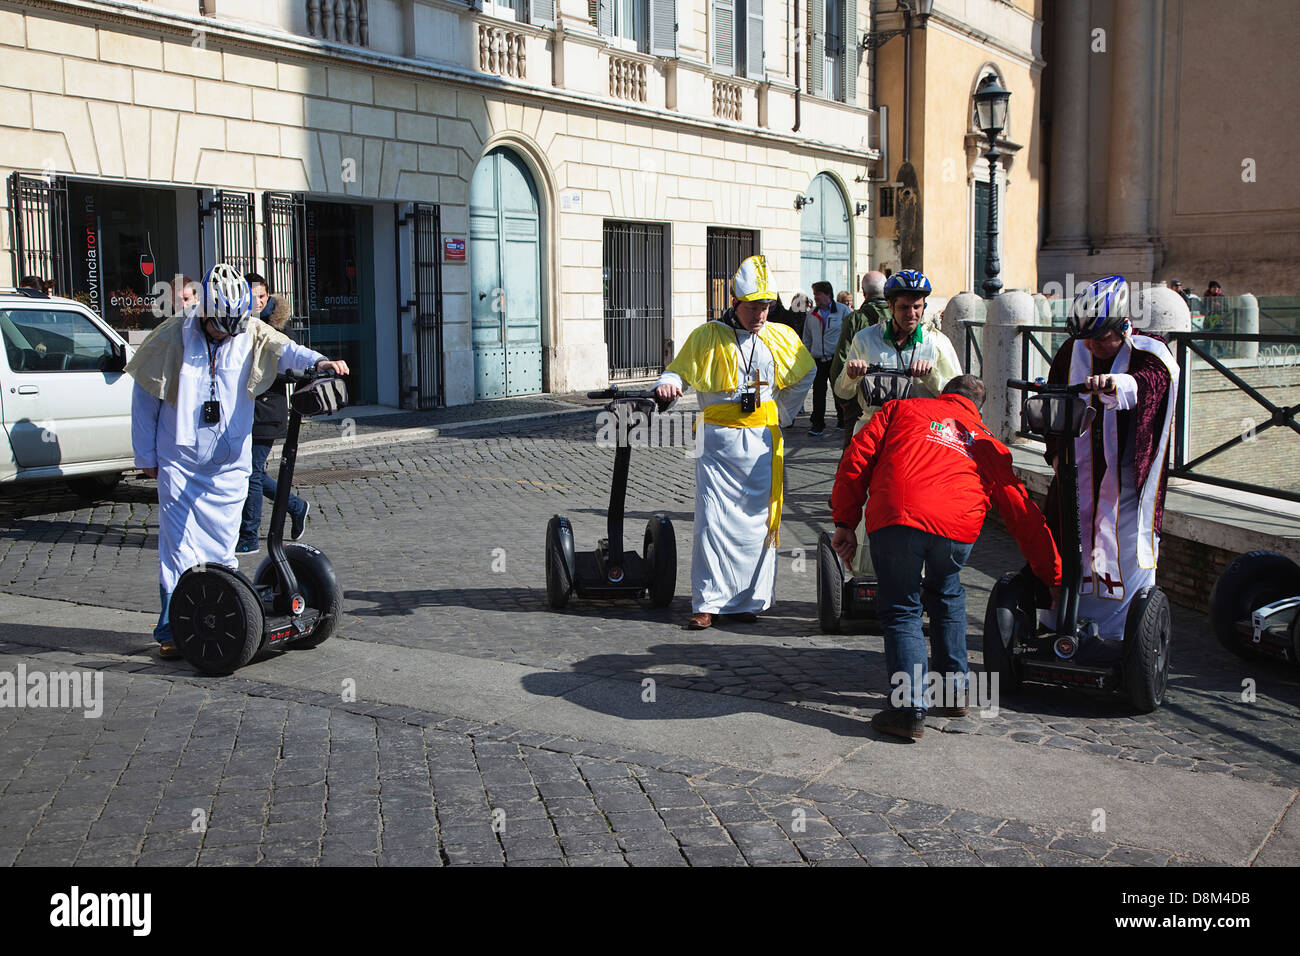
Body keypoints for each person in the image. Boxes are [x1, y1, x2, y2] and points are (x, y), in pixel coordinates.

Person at [127, 265, 349, 660]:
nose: (224, 335)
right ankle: (172, 628)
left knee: (222, 547)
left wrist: (321, 363)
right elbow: (145, 399)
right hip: (180, 462)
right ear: (205, 313)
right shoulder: (172, 336)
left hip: (230, 464)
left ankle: (222, 615)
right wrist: (146, 454)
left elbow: (286, 351)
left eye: (232, 327)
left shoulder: (250, 332)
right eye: (217, 327)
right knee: (178, 551)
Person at [830, 375, 1063, 740]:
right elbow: (1021, 510)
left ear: (943, 394)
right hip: (956, 528)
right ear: (977, 406)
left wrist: (846, 520)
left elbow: (856, 459)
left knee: (903, 609)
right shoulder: (985, 438)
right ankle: (952, 692)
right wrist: (1051, 574)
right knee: (947, 591)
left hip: (898, 517)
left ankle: (908, 709)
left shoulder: (900, 409)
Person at [654, 255, 815, 630]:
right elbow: (678, 372)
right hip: (718, 449)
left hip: (761, 447)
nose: (760, 315)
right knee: (712, 523)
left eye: (765, 307)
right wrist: (670, 384)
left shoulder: (780, 336)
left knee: (759, 526)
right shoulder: (707, 336)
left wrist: (782, 413)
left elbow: (805, 376)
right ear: (734, 303)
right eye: (753, 307)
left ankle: (749, 601)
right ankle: (707, 602)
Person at [1043, 275, 1178, 653]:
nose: (1095, 346)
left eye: (1103, 338)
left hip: (1126, 477)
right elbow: (1055, 399)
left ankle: (1124, 635)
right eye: (1089, 338)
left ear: (1123, 326)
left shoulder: (1149, 352)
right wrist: (1055, 453)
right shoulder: (1072, 353)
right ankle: (1061, 619)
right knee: (1069, 537)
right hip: (1076, 470)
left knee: (1123, 545)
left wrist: (1119, 385)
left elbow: (1152, 385)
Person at [237, 273, 311, 554]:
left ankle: (248, 536)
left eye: (262, 297)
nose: (257, 302)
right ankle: (295, 505)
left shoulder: (277, 328)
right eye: (252, 296)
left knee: (252, 473)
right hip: (243, 410)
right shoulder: (237, 326)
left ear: (268, 297)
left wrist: (268, 372)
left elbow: (294, 366)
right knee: (248, 472)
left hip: (268, 410)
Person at [830, 271, 890, 448]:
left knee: (854, 450)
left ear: (863, 293)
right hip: (892, 393)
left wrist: (842, 398)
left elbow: (841, 358)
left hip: (860, 396)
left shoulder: (855, 318)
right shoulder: (897, 316)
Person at [802, 281, 851, 437]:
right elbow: (807, 337)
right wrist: (807, 356)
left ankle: (842, 419)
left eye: (818, 294)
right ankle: (817, 424)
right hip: (817, 359)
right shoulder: (811, 314)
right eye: (814, 294)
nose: (815, 297)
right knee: (818, 392)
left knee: (839, 389)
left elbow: (849, 334)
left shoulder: (843, 311)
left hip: (836, 358)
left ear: (827, 294)